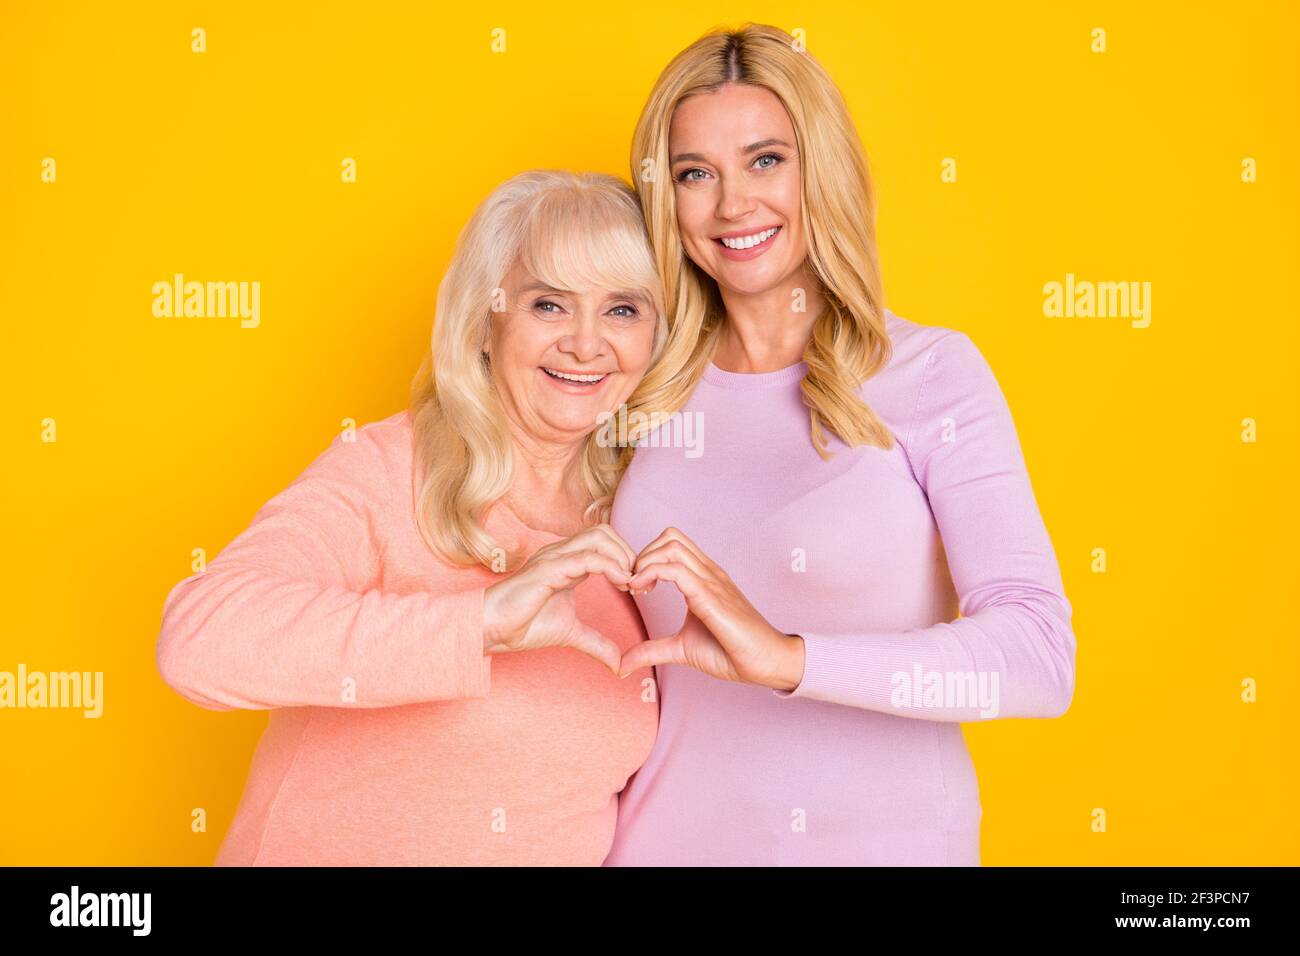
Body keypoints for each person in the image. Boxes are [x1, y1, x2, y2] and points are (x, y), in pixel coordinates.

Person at [602, 23, 1077, 866]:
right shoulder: (639, 386)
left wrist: (788, 660)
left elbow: (1038, 657)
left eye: (766, 160)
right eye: (694, 174)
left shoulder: (930, 375)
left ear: (820, 165)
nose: (733, 204)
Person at [156, 169, 667, 865]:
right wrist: (480, 623)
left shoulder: (648, 518)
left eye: (622, 310)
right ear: (485, 323)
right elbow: (200, 640)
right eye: (549, 305)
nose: (585, 342)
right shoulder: (392, 468)